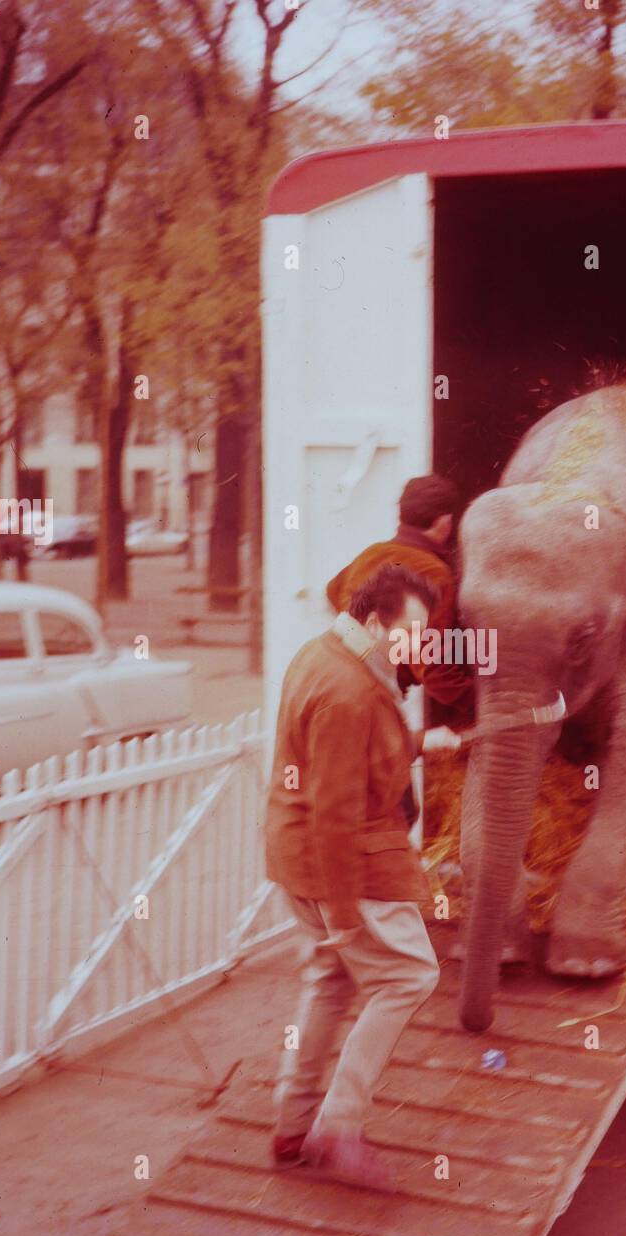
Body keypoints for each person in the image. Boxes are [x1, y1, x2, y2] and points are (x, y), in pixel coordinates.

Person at [266, 563, 461, 1192]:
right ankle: (337, 1128)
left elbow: (344, 755)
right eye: (408, 633)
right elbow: (336, 813)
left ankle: (292, 1124)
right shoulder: (350, 692)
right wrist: (347, 917)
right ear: (374, 621)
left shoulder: (325, 654)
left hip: (294, 855)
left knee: (329, 980)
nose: (416, 648)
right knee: (410, 976)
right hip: (340, 861)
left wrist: (417, 741)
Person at [326, 475, 474, 730]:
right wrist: (474, 703)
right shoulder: (435, 572)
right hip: (374, 698)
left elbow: (332, 591)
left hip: (335, 678)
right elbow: (431, 666)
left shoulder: (371, 554)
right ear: (445, 521)